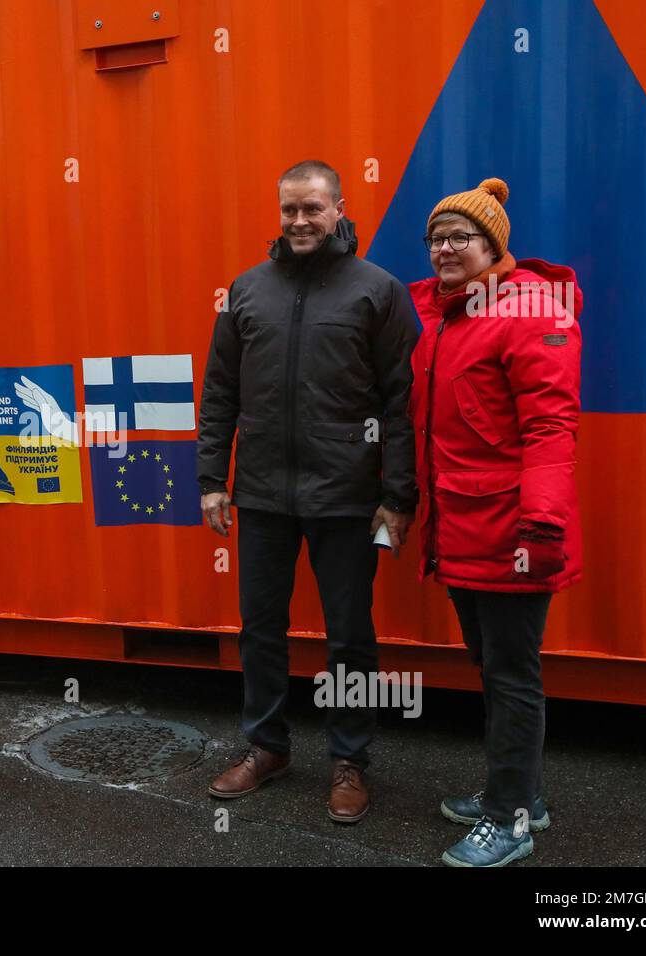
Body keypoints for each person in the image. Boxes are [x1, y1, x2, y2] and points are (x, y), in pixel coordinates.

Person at [197, 160, 418, 822]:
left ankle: (350, 760)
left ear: (340, 209)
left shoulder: (377, 290)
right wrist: (213, 479)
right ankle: (267, 747)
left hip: (348, 498)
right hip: (262, 495)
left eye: (312, 209)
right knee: (261, 628)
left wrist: (398, 497)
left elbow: (402, 403)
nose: (299, 221)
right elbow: (220, 393)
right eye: (289, 209)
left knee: (350, 636)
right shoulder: (247, 290)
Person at [407, 178, 582, 866]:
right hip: (460, 524)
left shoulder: (531, 311)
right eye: (438, 238)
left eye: (462, 237)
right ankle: (521, 794)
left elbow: (550, 425)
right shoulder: (449, 315)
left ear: (494, 246)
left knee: (512, 674)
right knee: (493, 663)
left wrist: (541, 523)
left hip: (512, 531)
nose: (446, 249)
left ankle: (509, 822)